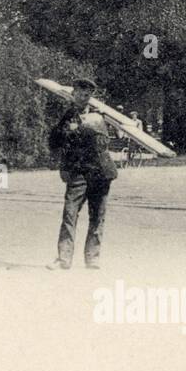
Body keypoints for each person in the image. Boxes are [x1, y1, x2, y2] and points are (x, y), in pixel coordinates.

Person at [47, 78, 117, 270]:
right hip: (77, 172)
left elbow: (106, 142)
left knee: (97, 216)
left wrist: (92, 126)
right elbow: (54, 142)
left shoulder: (101, 116)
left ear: (91, 96)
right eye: (79, 94)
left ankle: (92, 258)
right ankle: (64, 258)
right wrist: (67, 132)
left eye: (86, 95)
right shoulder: (67, 116)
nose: (82, 98)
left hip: (100, 172)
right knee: (69, 214)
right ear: (73, 94)